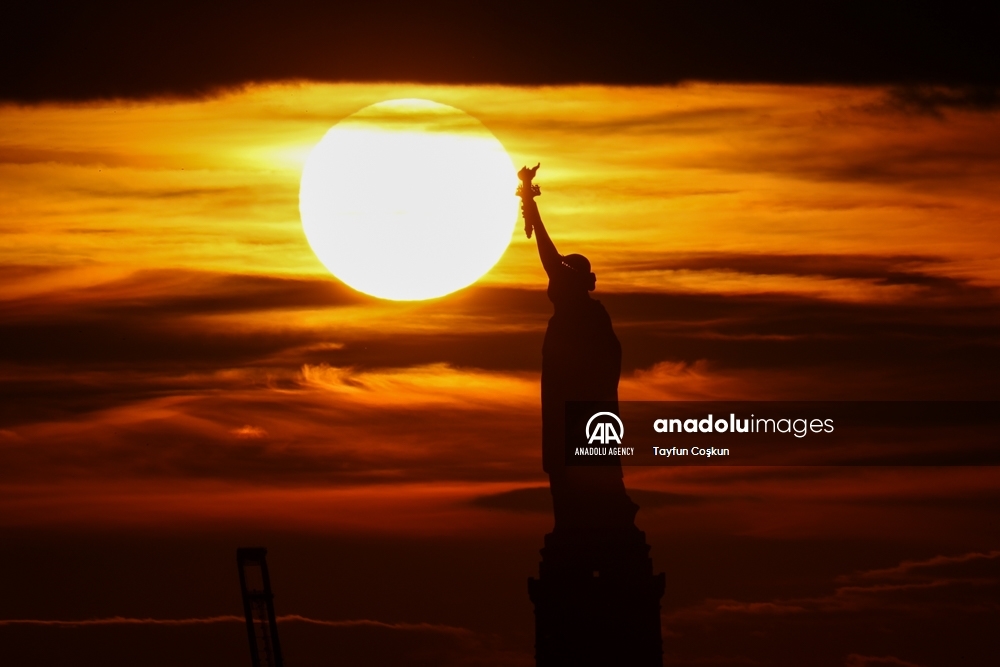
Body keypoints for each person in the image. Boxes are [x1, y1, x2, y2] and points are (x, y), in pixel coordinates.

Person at [520, 194, 637, 536]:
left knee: (578, 460)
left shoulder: (585, 317)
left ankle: (587, 525)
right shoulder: (588, 317)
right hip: (571, 402)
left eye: (558, 277)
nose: (552, 281)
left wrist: (529, 198)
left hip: (579, 404)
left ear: (569, 281)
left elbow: (547, 252)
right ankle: (574, 524)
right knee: (566, 462)